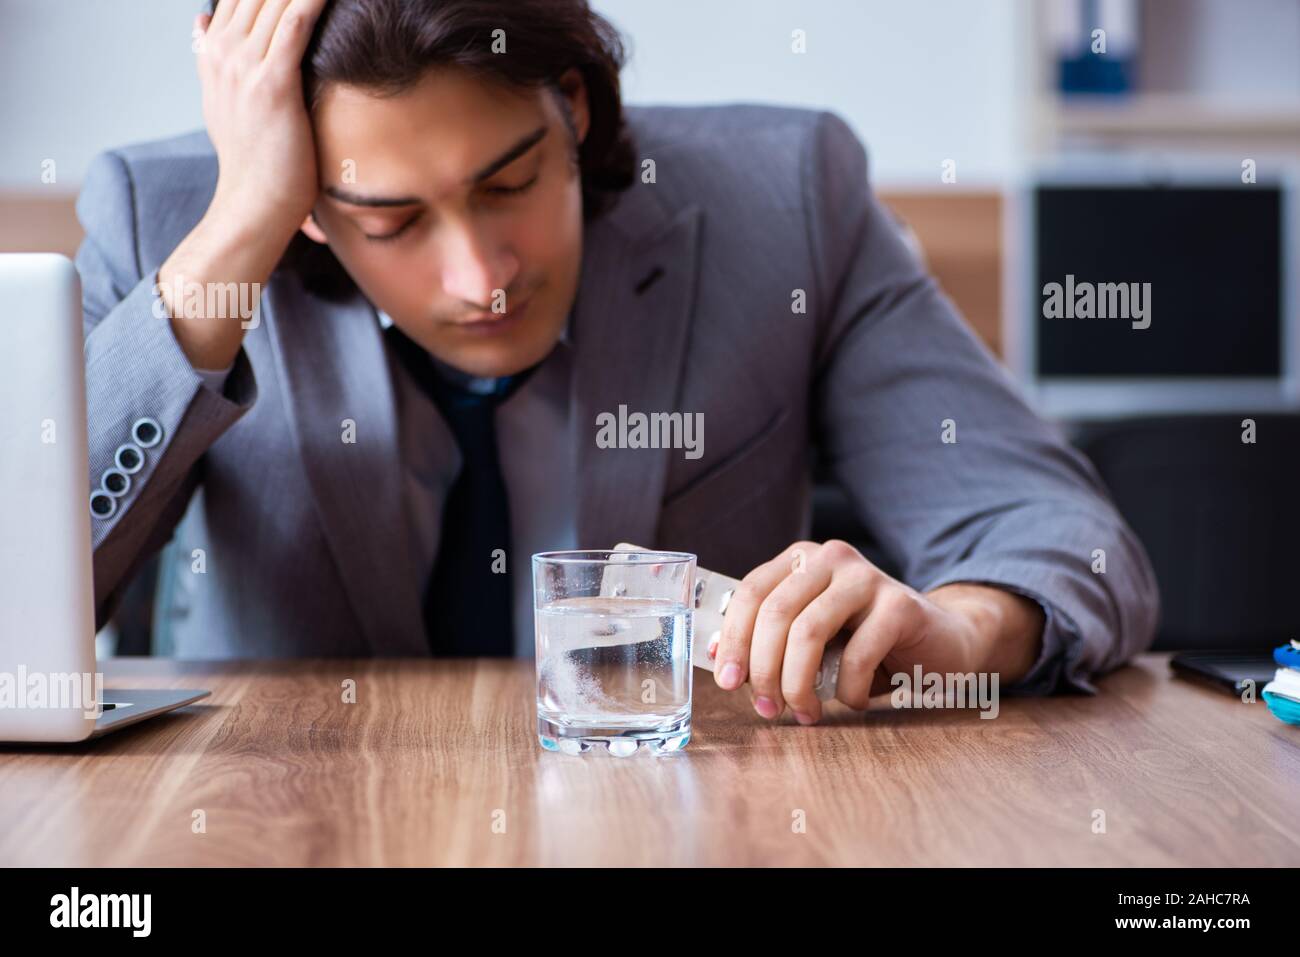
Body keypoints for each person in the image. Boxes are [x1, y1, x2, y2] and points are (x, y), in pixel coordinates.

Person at [76, 0, 1158, 724]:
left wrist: (958, 633)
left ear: (576, 109)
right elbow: (18, 601)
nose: (479, 276)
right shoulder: (171, 230)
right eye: (390, 219)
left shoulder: (788, 200)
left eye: (508, 183)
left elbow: (1068, 539)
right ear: (309, 204)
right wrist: (241, 229)